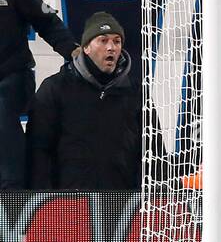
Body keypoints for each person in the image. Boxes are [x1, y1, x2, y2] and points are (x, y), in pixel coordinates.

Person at [26, 12, 144, 190]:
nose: (111, 47)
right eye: (103, 40)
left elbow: (153, 149)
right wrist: (43, 199)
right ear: (86, 48)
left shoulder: (136, 92)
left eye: (116, 41)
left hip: (121, 203)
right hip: (68, 203)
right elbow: (37, 150)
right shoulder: (55, 88)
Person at [0, 0, 77, 188]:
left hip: (11, 77)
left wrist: (72, 51)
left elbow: (48, 22)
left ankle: (12, 194)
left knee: (2, 115)